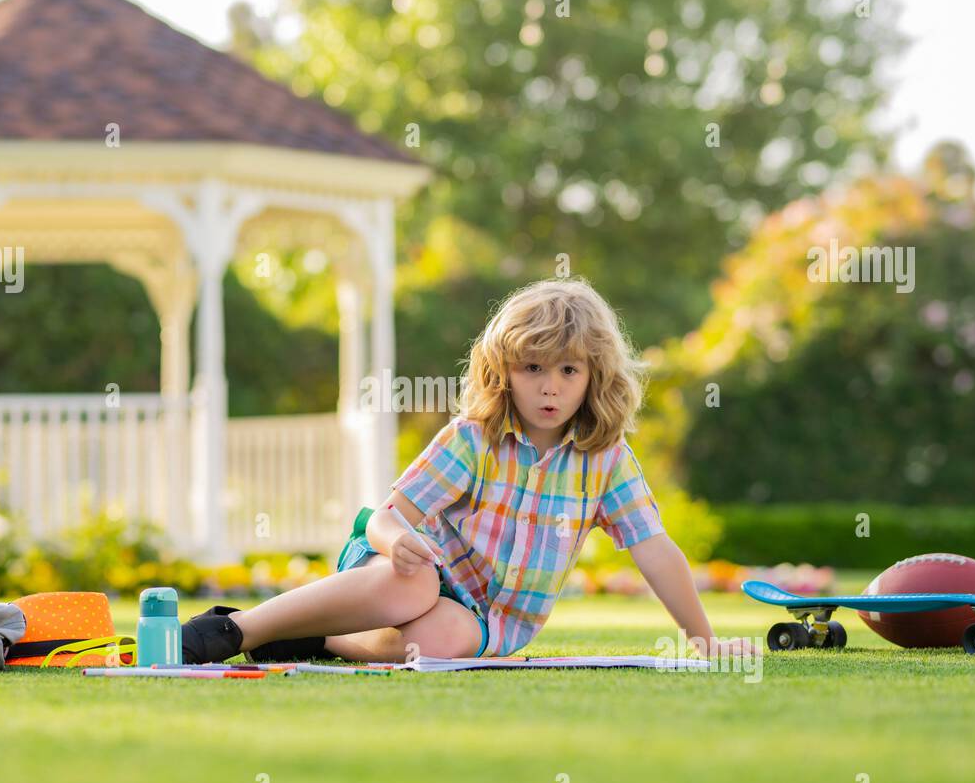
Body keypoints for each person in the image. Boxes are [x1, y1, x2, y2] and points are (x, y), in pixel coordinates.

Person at [181, 276, 755, 664]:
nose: (550, 386)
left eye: (568, 370)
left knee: (439, 642)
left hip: (490, 622)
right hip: (398, 573)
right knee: (418, 580)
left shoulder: (605, 461)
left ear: (595, 376)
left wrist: (703, 640)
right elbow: (386, 518)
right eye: (532, 367)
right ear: (504, 370)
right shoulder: (473, 438)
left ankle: (322, 637)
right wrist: (400, 540)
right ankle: (237, 628)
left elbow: (653, 548)